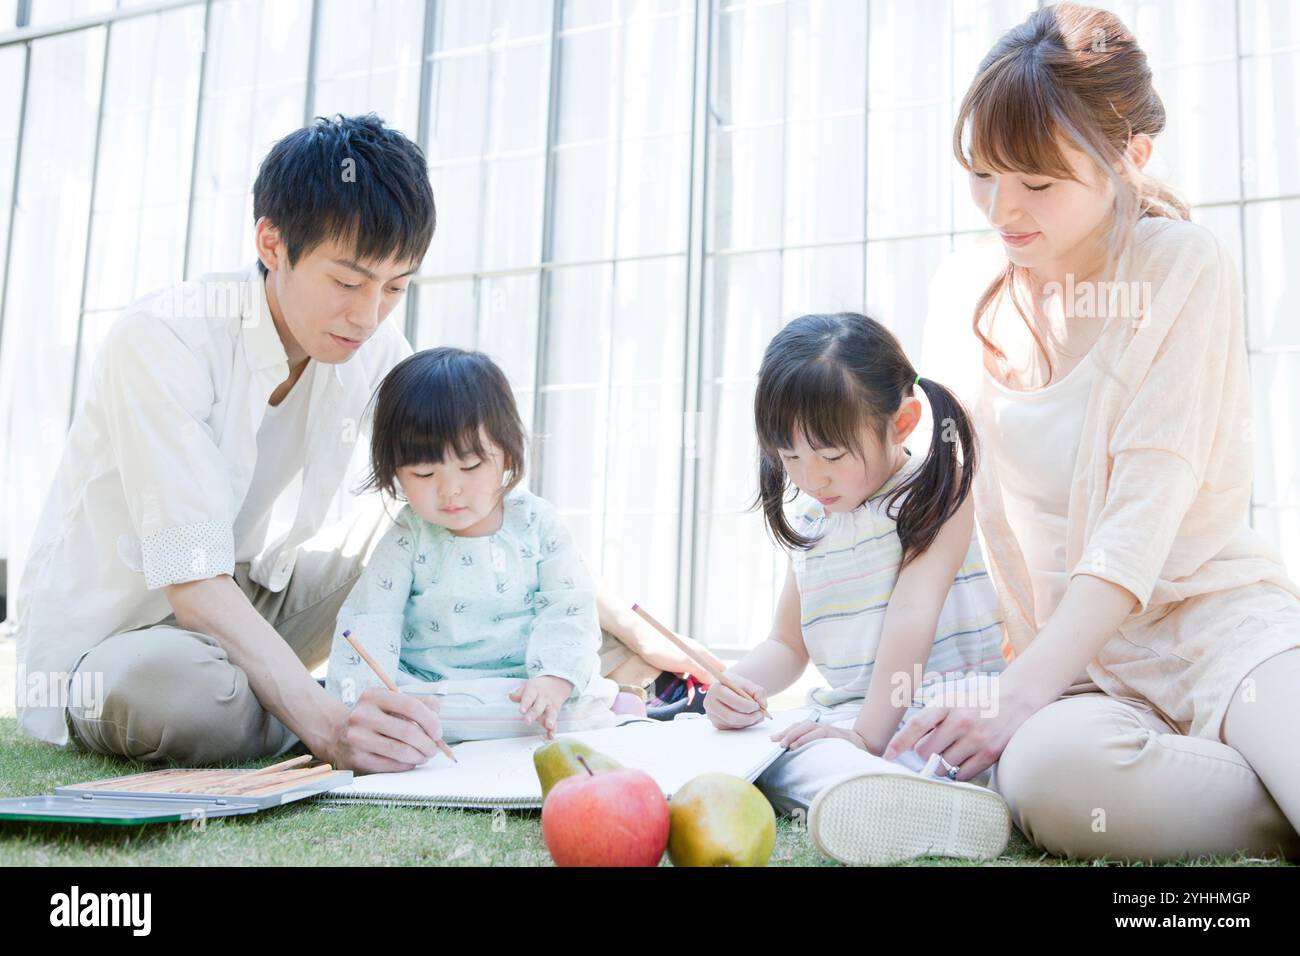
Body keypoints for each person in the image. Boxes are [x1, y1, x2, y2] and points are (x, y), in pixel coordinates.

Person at [14, 113, 700, 773]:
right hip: (125, 638)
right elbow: (191, 584)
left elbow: (481, 498)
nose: (368, 315)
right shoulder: (165, 339)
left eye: (394, 288)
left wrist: (630, 628)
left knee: (444, 549)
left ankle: (629, 682)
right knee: (166, 693)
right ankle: (356, 708)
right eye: (347, 282)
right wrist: (326, 724)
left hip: (254, 597)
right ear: (271, 244)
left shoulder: (371, 347)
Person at [895, 2, 1300, 861]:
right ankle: (1265, 804)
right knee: (1054, 781)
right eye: (983, 174)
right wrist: (877, 713)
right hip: (1077, 671)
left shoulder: (1180, 265)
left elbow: (1139, 523)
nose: (1002, 211)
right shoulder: (963, 291)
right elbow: (944, 513)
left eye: (1037, 184)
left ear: (1129, 157)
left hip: (1217, 628)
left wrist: (1013, 696)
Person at [703, 312, 1012, 865]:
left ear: (902, 423)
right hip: (851, 724)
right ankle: (900, 798)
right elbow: (788, 645)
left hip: (940, 715)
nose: (809, 478)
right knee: (772, 749)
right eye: (790, 457)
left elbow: (912, 615)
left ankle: (927, 799)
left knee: (845, 761)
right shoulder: (814, 517)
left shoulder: (935, 491)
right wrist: (735, 686)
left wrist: (868, 739)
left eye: (830, 456)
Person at [323, 348, 639, 758]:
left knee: (572, 709)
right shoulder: (408, 533)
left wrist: (555, 678)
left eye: (470, 467)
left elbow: (567, 607)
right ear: (395, 471)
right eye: (422, 473)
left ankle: (605, 703)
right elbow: (369, 619)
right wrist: (360, 700)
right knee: (413, 716)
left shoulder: (537, 523)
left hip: (526, 685)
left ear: (507, 454)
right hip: (436, 687)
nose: (449, 489)